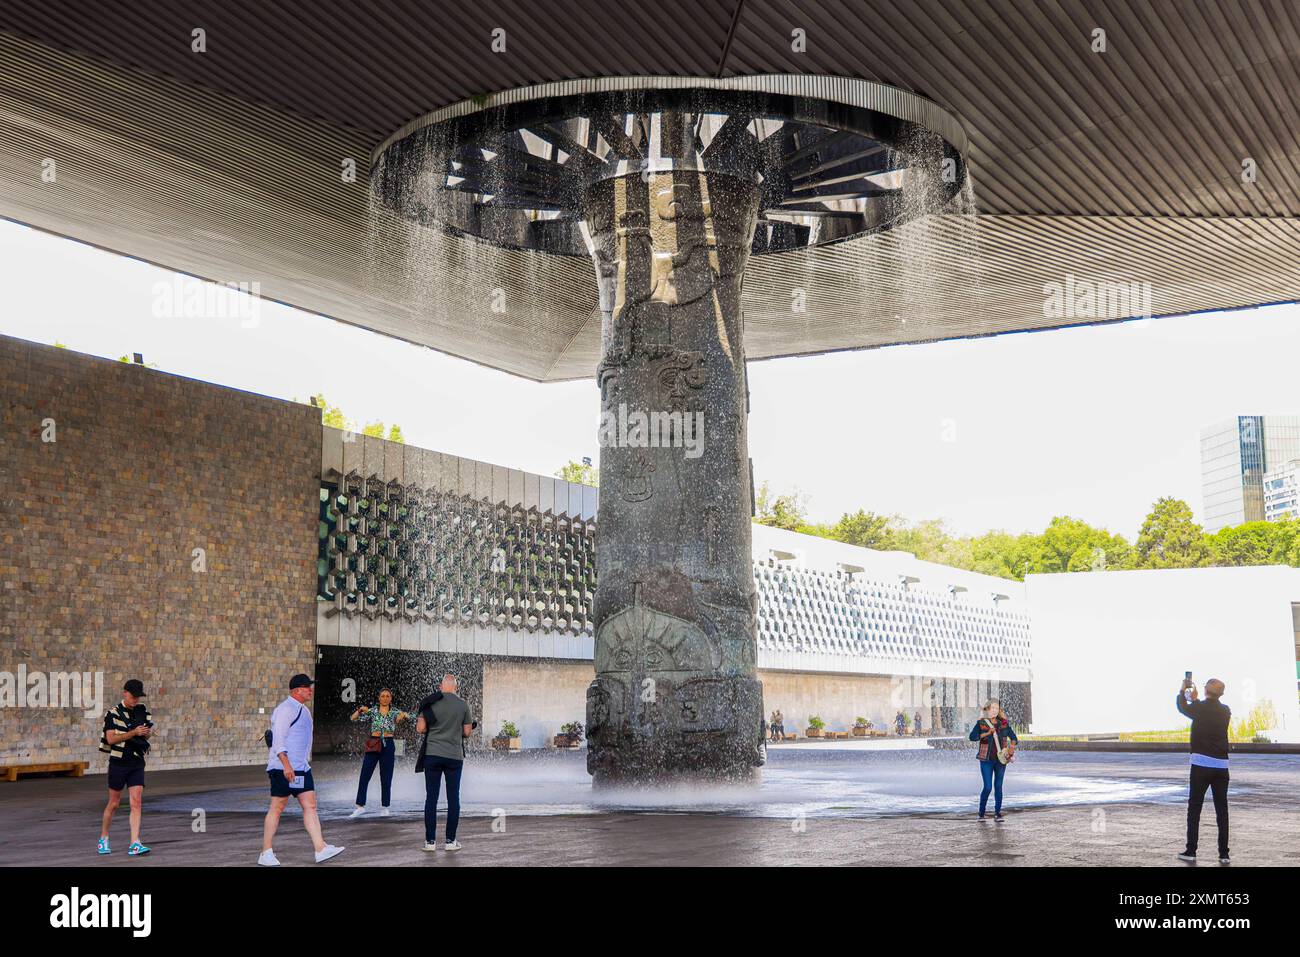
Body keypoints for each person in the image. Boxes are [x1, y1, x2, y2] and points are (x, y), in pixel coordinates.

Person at [259, 674, 345, 866]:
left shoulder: (304, 710)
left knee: (310, 806)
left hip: (301, 768)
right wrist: (286, 765)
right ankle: (265, 852)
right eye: (307, 687)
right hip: (283, 768)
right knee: (277, 807)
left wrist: (301, 765)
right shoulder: (285, 710)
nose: (310, 690)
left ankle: (320, 848)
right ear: (297, 690)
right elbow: (278, 740)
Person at [415, 673, 474, 852]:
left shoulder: (429, 703)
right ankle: (450, 841)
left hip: (432, 755)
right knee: (453, 798)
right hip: (454, 757)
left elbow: (420, 729)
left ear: (441, 686)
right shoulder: (463, 705)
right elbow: (467, 732)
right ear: (455, 687)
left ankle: (430, 842)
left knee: (431, 798)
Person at [1176, 677, 1231, 865]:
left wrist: (1184, 691)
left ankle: (1191, 850)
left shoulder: (1199, 708)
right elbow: (1206, 709)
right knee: (1222, 810)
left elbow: (1183, 707)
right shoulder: (1226, 711)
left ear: (1206, 690)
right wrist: (1197, 700)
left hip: (1201, 764)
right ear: (1221, 693)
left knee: (1195, 807)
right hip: (1222, 766)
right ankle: (1224, 854)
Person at [97, 679, 154, 856]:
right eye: (133, 696)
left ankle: (134, 843)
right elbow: (111, 739)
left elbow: (145, 735)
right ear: (125, 693)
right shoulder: (112, 714)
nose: (136, 699)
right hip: (118, 763)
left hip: (136, 762)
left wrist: (145, 734)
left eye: (138, 696)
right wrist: (133, 733)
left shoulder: (142, 711)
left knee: (136, 802)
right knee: (113, 803)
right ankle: (103, 838)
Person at [348, 689, 412, 818]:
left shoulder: (394, 712)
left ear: (391, 698)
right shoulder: (372, 711)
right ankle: (360, 806)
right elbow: (353, 718)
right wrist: (360, 710)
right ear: (379, 698)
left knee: (386, 777)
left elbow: (409, 717)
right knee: (365, 774)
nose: (385, 698)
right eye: (382, 696)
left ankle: (385, 807)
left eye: (387, 696)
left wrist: (404, 714)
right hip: (374, 743)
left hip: (388, 744)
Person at [969, 698, 1018, 821]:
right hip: (986, 759)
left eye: (997, 708)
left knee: (998, 786)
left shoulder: (1004, 723)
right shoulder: (981, 723)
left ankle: (997, 813)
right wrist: (987, 733)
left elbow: (1014, 737)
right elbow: (972, 737)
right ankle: (981, 813)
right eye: (992, 708)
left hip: (1001, 760)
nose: (995, 711)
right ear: (987, 709)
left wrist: (1012, 747)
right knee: (987, 787)